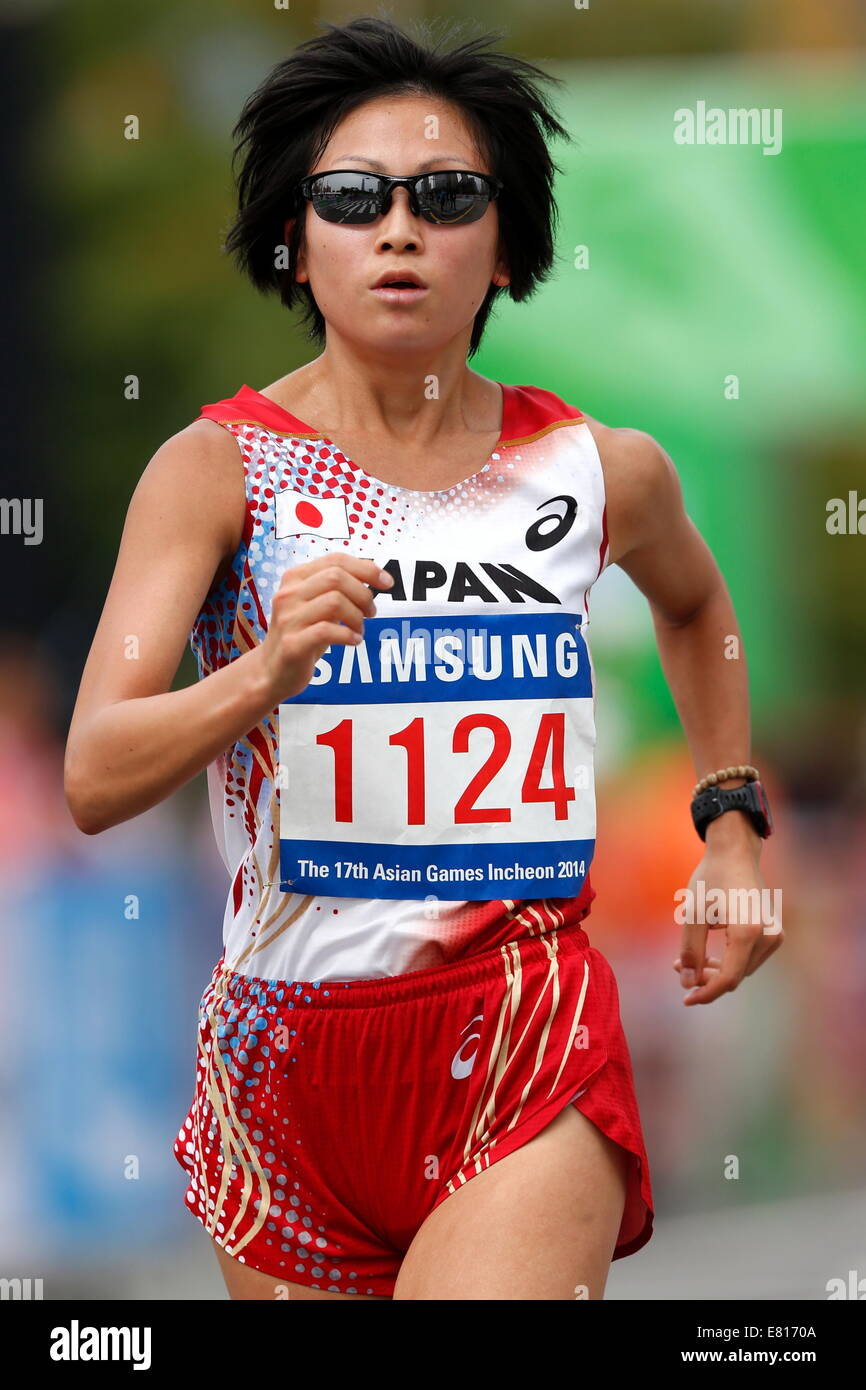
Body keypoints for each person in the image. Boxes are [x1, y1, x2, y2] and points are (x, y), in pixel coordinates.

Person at [63, 15, 782, 1301]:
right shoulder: (213, 472)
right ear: (295, 239)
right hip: (284, 1062)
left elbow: (696, 608)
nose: (398, 228)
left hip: (520, 1024)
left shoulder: (598, 469)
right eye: (351, 197)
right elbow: (95, 772)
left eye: (446, 196)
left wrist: (728, 822)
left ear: (505, 247)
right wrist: (261, 674)